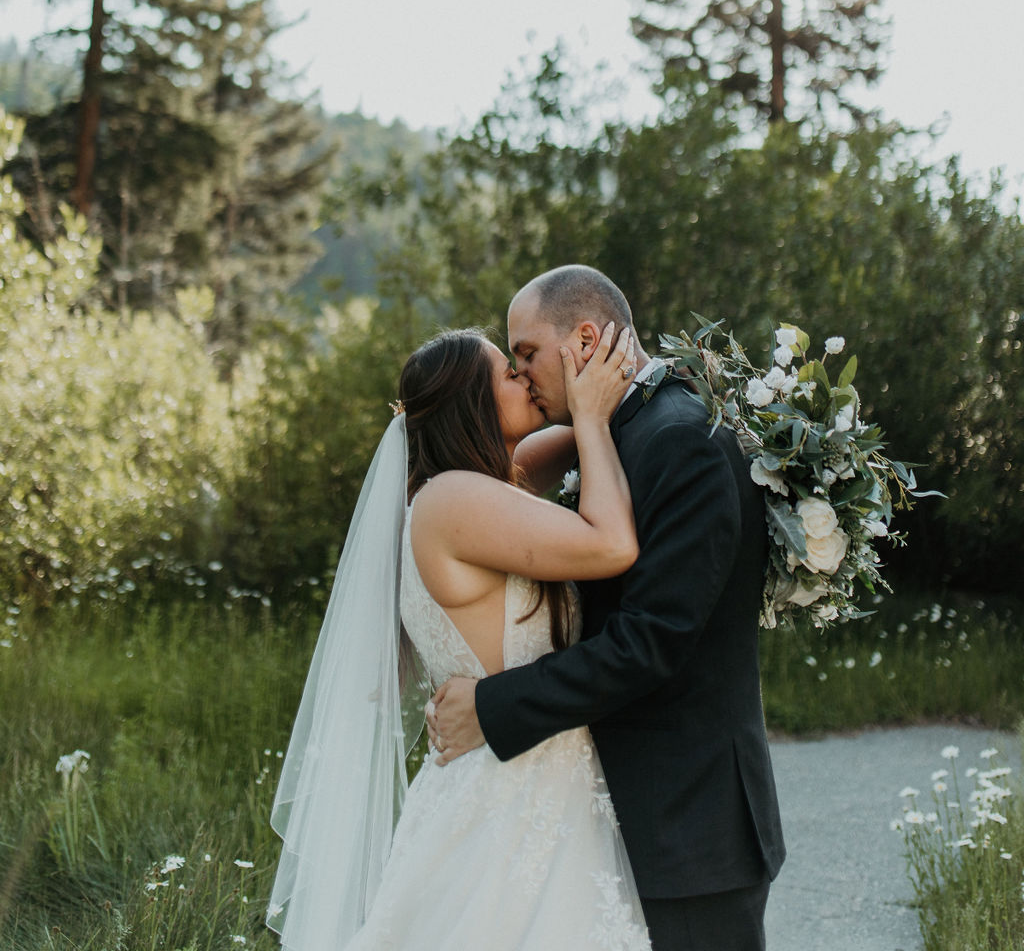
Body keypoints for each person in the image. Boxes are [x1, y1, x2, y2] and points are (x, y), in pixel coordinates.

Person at [428, 265, 786, 951]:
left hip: (687, 833)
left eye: (526, 353)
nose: (521, 372)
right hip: (631, 823)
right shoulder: (624, 429)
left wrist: (491, 706)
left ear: (585, 339)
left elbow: (648, 643)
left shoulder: (677, 440)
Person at [267, 319, 653, 951]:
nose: (525, 376)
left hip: (524, 782)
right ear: (472, 402)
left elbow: (564, 438)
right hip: (510, 803)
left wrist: (598, 394)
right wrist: (588, 418)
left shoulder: (471, 486)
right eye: (509, 370)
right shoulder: (454, 501)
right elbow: (611, 544)